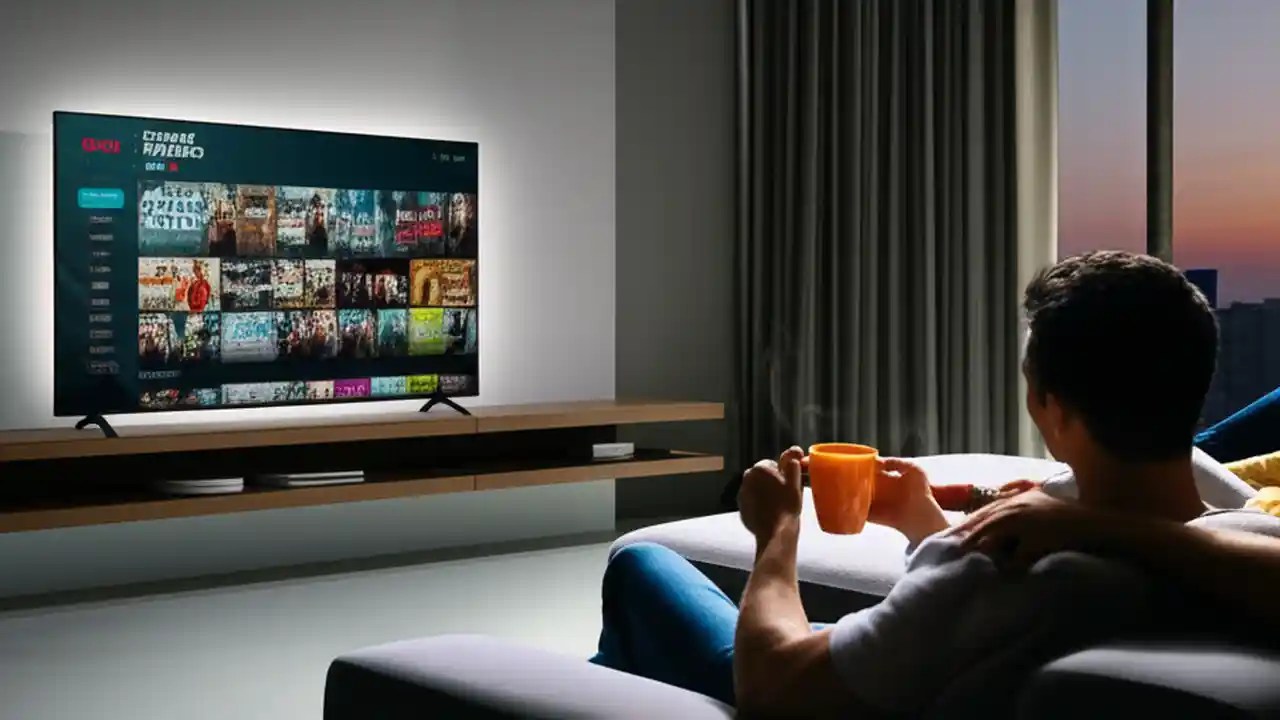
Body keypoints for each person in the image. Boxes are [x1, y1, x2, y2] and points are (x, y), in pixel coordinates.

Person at [590, 251, 1280, 717]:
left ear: (1051, 406)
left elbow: (776, 687)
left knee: (641, 565)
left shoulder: (1003, 573)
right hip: (920, 664)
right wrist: (921, 519)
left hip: (817, 691)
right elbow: (961, 625)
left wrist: (778, 532)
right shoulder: (1243, 535)